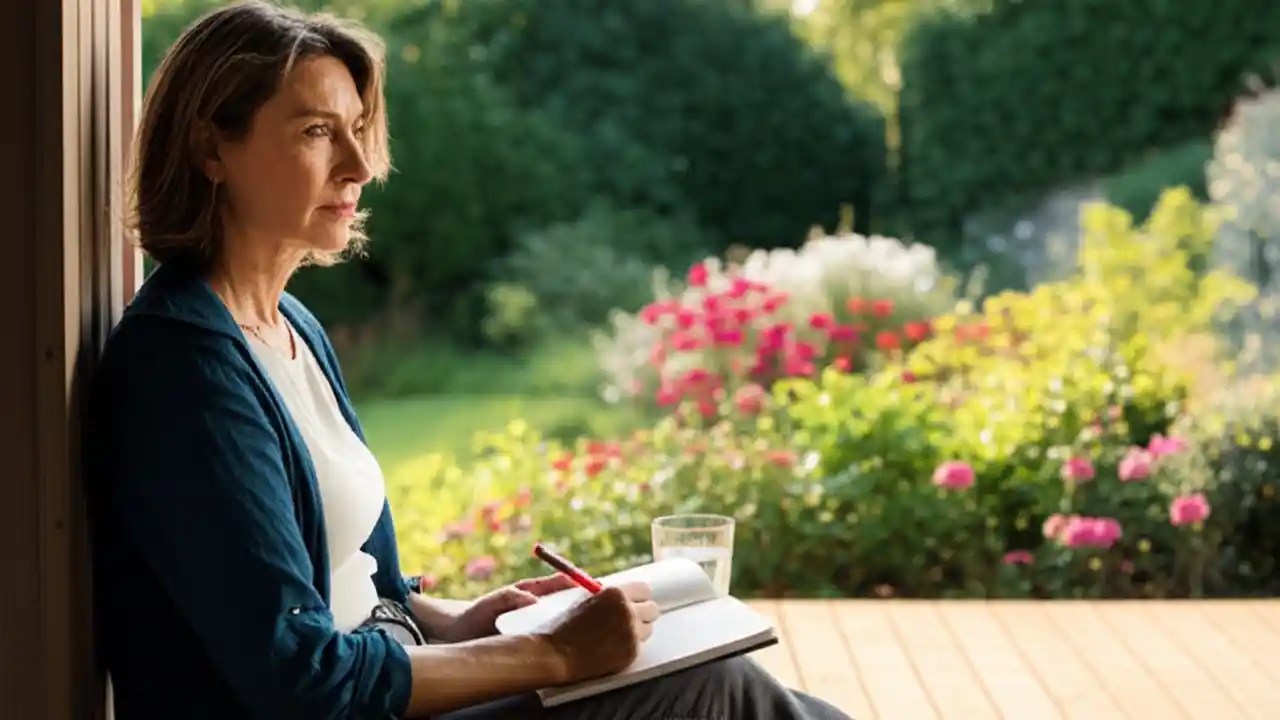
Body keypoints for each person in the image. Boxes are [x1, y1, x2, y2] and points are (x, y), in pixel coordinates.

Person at [86, 2, 854, 719]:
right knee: (716, 689)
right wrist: (550, 652)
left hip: (381, 679)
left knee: (746, 690)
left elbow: (357, 583)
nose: (359, 165)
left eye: (359, 128)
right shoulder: (184, 371)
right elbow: (298, 677)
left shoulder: (288, 326)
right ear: (210, 148)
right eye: (318, 131)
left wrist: (456, 621)